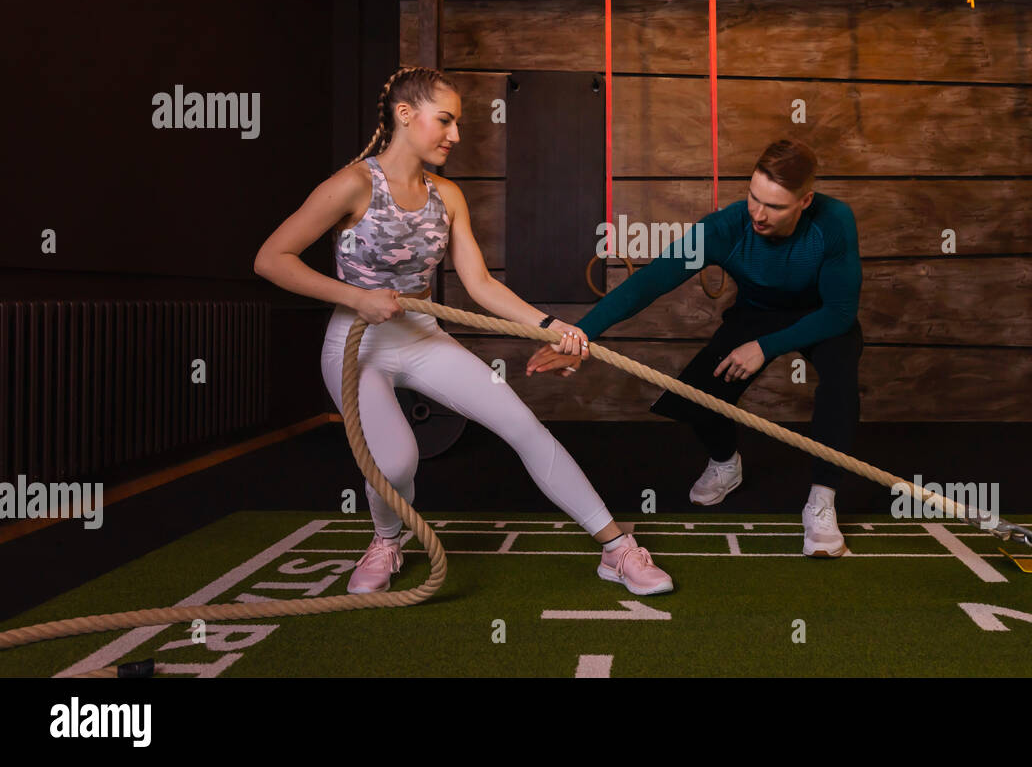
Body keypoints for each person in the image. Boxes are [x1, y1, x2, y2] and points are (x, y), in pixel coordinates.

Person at [253, 65, 672, 596]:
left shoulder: (446, 195)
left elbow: (480, 286)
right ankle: (385, 541)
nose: (456, 135)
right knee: (398, 458)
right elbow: (271, 258)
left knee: (523, 426)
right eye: (445, 121)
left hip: (422, 338)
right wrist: (357, 297)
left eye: (457, 123)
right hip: (356, 347)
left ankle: (617, 549)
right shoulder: (353, 184)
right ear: (406, 115)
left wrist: (552, 326)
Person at [527, 139, 863, 557]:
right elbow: (649, 283)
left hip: (820, 316)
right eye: (753, 198)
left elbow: (840, 313)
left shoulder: (833, 221)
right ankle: (726, 463)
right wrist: (581, 337)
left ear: (805, 201)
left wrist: (765, 347)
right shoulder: (723, 228)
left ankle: (821, 500)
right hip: (757, 313)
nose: (758, 214)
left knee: (840, 384)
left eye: (774, 207)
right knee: (696, 395)